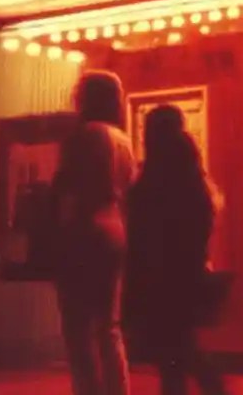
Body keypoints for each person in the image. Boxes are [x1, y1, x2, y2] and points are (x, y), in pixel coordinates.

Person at [125, 105, 227, 395]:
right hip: (188, 271)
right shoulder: (191, 170)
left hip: (158, 276)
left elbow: (141, 231)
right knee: (181, 347)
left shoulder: (151, 178)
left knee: (174, 354)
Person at [51, 71, 136, 395]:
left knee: (77, 328)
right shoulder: (123, 139)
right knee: (109, 327)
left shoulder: (82, 137)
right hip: (115, 230)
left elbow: (67, 191)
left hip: (84, 231)